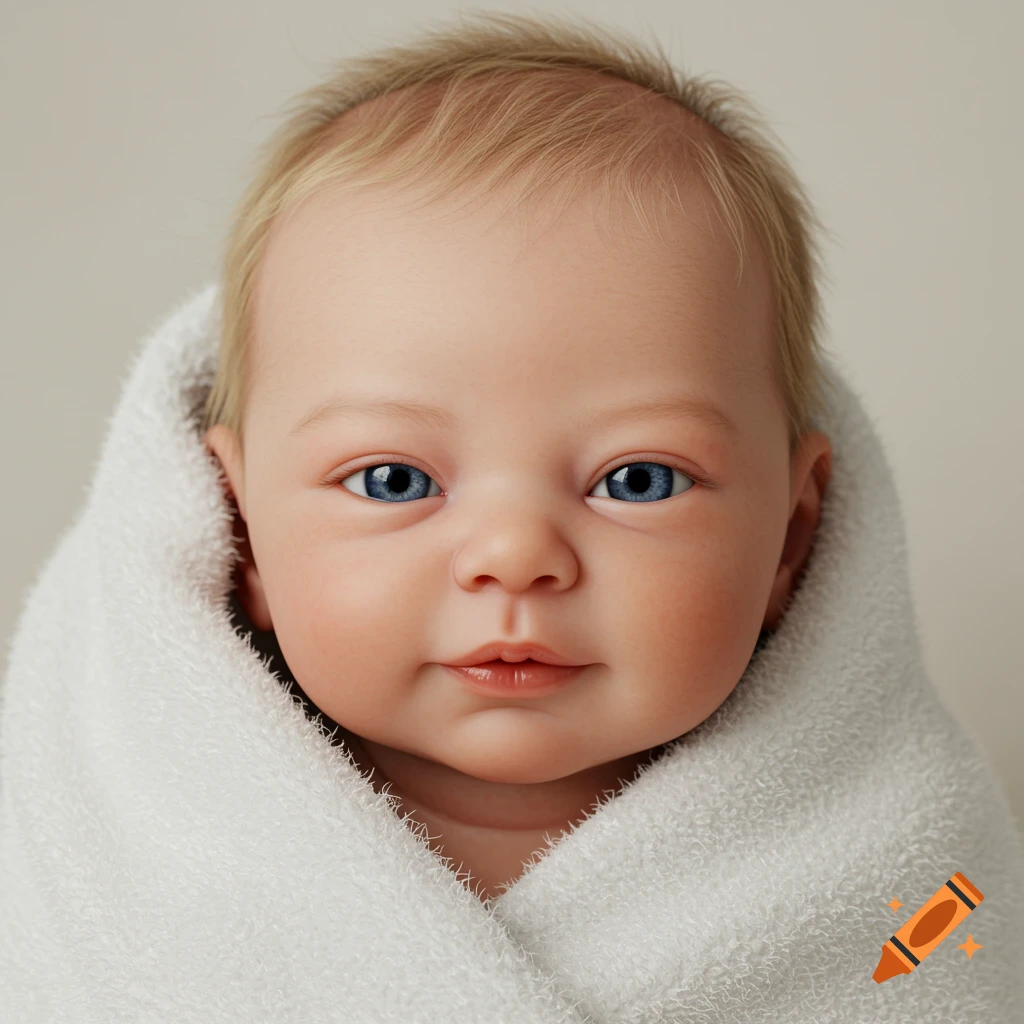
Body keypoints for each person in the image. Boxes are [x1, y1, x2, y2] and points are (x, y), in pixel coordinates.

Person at [202, 10, 834, 906]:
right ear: (242, 531)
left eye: (636, 481)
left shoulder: (876, 871)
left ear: (787, 539)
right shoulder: (162, 851)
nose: (515, 556)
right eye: (395, 481)